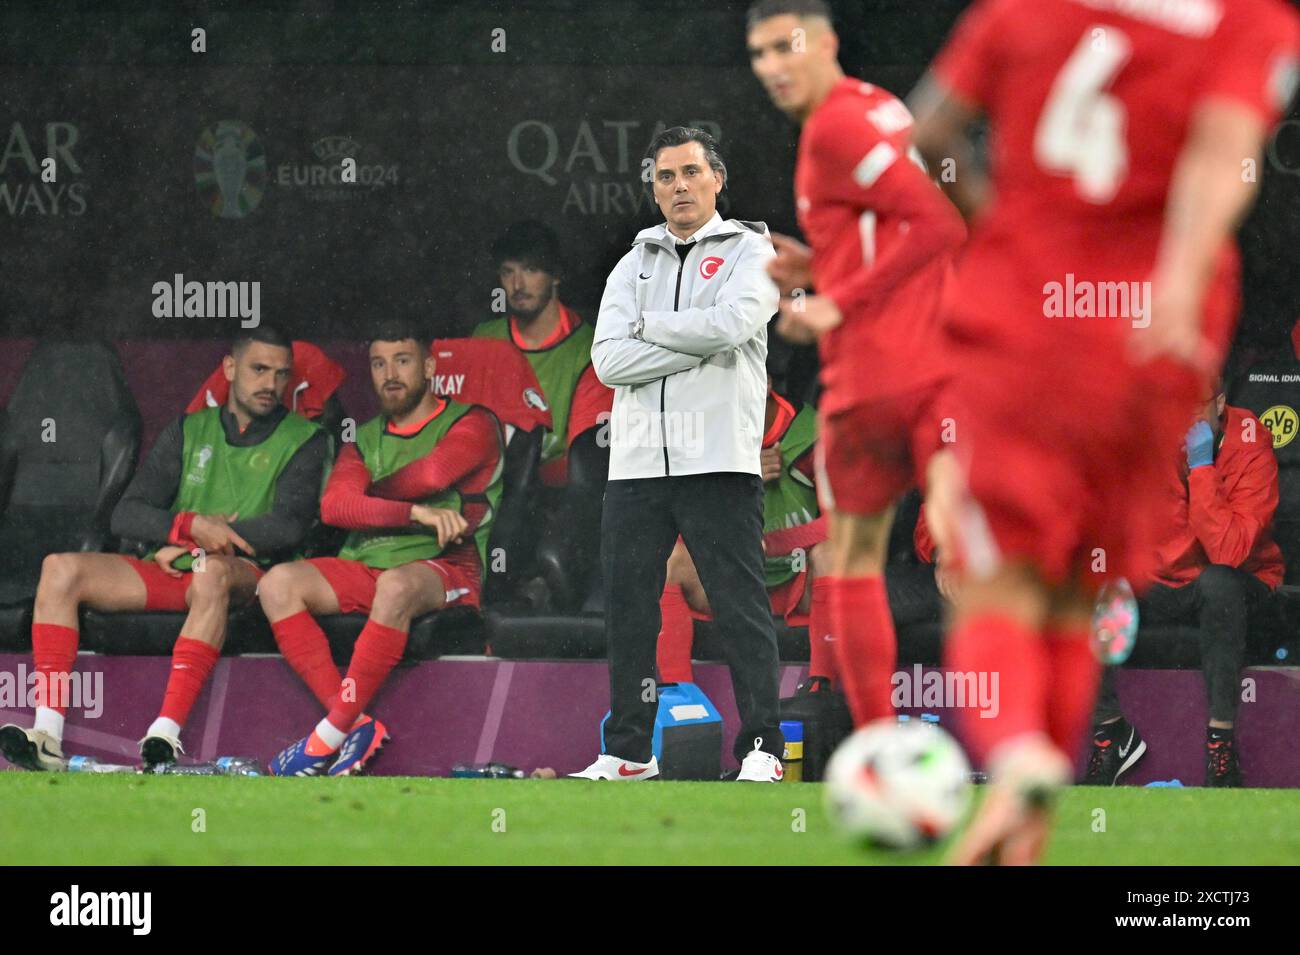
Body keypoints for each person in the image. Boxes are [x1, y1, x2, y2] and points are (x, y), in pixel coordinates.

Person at [909, 0, 1300, 862]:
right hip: (1159, 327)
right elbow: (1224, 158)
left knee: (998, 573)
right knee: (1087, 577)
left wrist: (991, 223)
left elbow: (929, 132)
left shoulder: (1017, 13)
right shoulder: (1250, 23)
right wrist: (1183, 273)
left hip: (1027, 311)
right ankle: (1047, 773)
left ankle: (1019, 756)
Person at [746, 0, 967, 727]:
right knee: (939, 549)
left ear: (828, 41)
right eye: (759, 54)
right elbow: (898, 229)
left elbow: (937, 221)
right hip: (938, 363)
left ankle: (879, 744)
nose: (773, 67)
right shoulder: (877, 108)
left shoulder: (834, 127)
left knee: (849, 559)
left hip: (879, 372)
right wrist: (814, 266)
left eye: (786, 46)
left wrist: (837, 301)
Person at [0, 326, 327, 771]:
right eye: (259, 369)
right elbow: (127, 512)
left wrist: (197, 549)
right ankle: (46, 735)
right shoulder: (188, 429)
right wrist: (189, 526)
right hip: (178, 569)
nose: (270, 384)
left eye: (281, 374)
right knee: (59, 568)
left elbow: (287, 527)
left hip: (246, 575)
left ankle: (165, 734)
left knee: (211, 572)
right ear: (230, 369)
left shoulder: (304, 439)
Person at [571, 126, 785, 782]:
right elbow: (608, 361)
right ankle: (631, 750)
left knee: (740, 603)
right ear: (654, 189)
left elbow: (733, 324)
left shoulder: (753, 250)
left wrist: (650, 328)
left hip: (718, 457)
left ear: (717, 180)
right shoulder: (632, 263)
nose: (680, 186)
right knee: (630, 609)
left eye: (691, 172)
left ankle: (762, 750)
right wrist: (692, 336)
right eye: (666, 176)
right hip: (637, 464)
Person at [259, 323, 504, 776]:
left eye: (403, 360)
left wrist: (370, 496)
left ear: (429, 366)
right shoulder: (364, 436)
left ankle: (325, 737)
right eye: (378, 363)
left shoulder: (473, 422)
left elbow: (432, 475)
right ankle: (354, 724)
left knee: (394, 586)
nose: (390, 374)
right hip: (367, 564)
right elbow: (334, 506)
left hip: (443, 569)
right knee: (276, 583)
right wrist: (413, 514)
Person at [1087, 386, 1283, 787]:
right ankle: (1111, 734)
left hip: (1243, 582)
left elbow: (1228, 551)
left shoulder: (1251, 441)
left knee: (1219, 583)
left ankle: (1220, 744)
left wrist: (1201, 467)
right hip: (1163, 580)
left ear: (1221, 402)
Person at [655, 374, 836, 698]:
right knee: (673, 561)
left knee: (832, 555)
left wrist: (773, 543)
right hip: (735, 582)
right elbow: (686, 525)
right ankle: (679, 697)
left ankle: (821, 686)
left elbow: (843, 525)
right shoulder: (709, 435)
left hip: (798, 581)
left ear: (765, 386)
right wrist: (740, 481)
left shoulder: (811, 433)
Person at [473, 221, 613, 610]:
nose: (518, 283)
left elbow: (586, 466)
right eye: (508, 271)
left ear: (556, 275)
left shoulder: (590, 349)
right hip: (485, 497)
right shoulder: (483, 341)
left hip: (553, 503)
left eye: (531, 270)